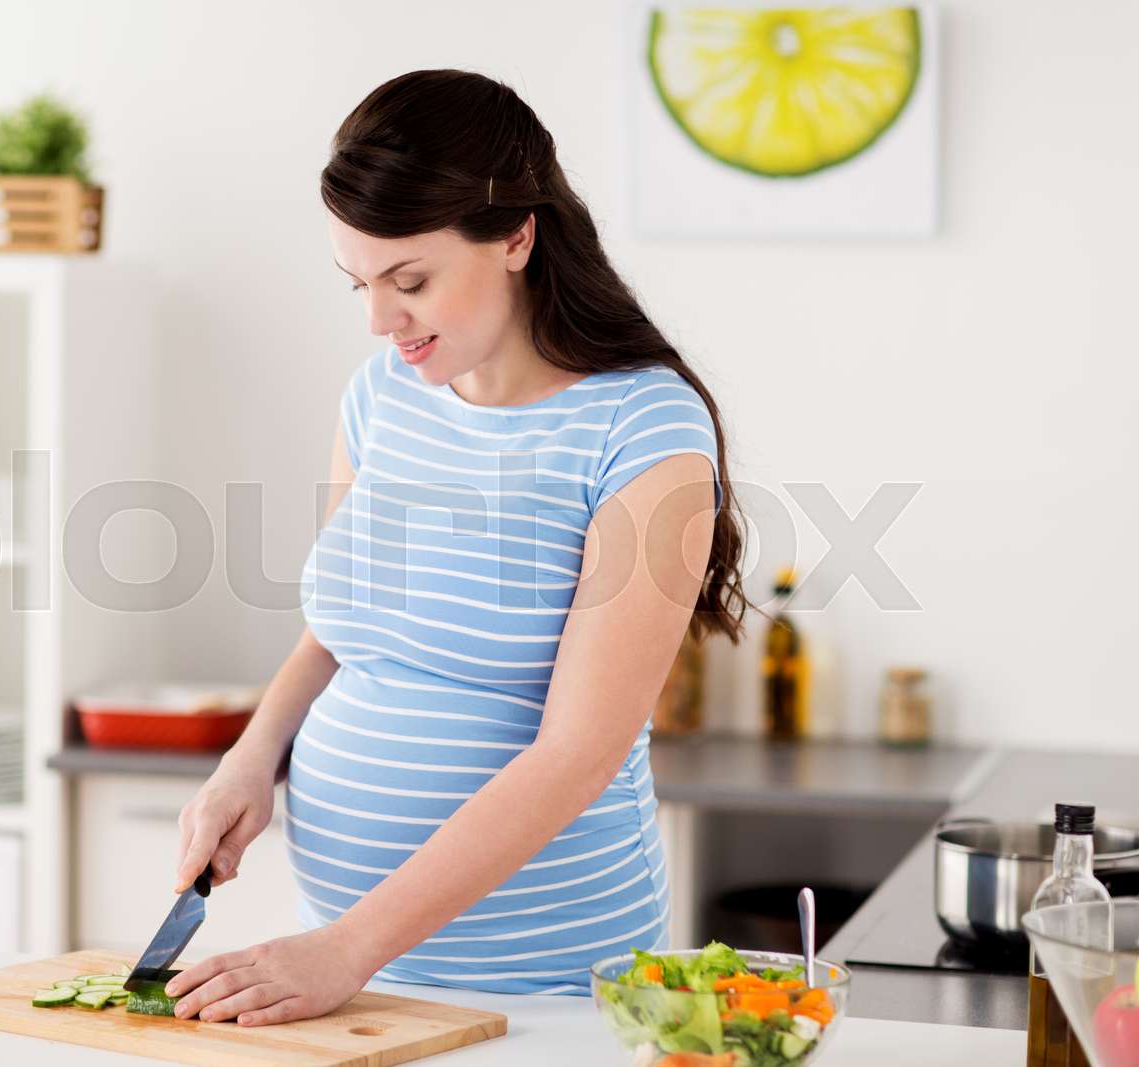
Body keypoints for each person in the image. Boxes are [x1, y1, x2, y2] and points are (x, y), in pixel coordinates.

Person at [165, 68, 747, 1026]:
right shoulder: (383, 396)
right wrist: (252, 754)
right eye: (358, 282)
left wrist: (347, 949)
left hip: (538, 984)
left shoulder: (642, 426)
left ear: (517, 234)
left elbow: (581, 751)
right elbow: (345, 628)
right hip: (348, 965)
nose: (379, 320)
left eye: (411, 280)